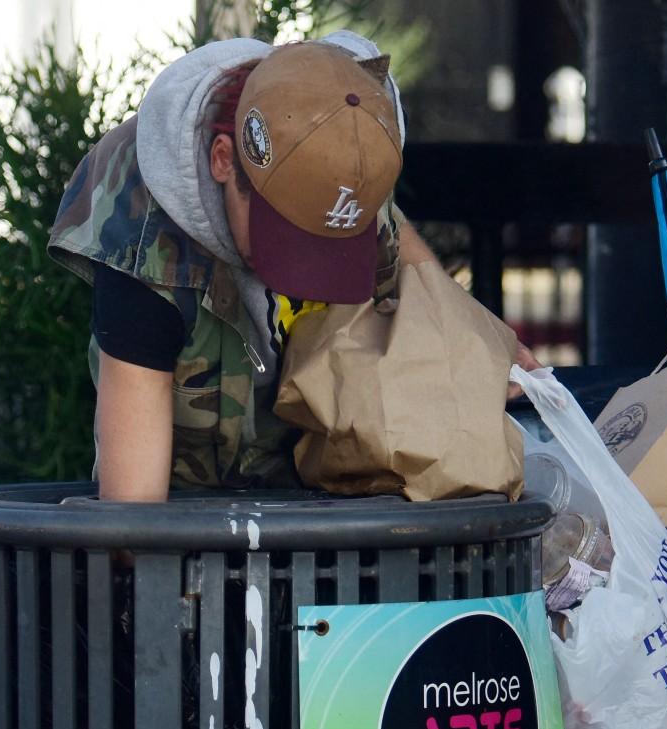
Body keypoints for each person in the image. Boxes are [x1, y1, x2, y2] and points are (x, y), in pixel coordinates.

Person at [50, 33, 534, 502]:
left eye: (333, 242)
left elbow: (390, 227)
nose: (307, 265)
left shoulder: (351, 134)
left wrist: (472, 339)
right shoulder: (142, 229)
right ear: (223, 161)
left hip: (331, 505)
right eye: (290, 235)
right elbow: (136, 514)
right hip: (193, 523)